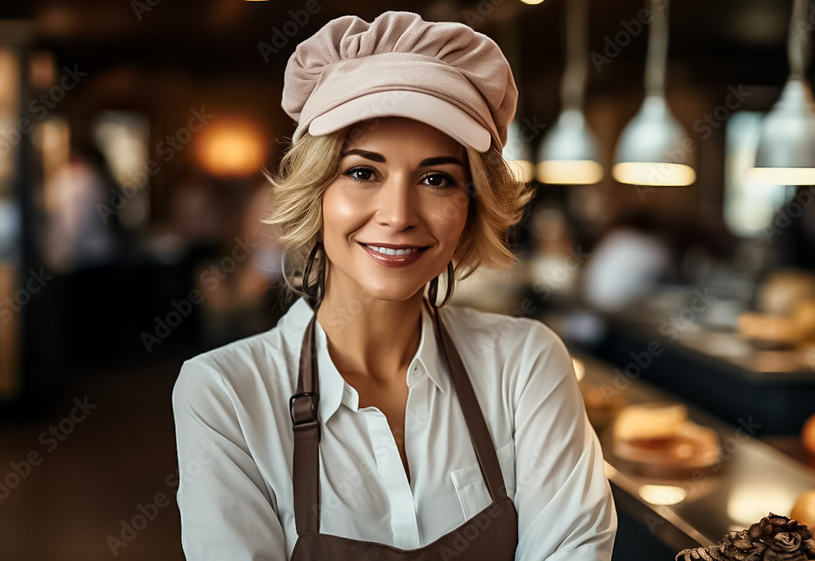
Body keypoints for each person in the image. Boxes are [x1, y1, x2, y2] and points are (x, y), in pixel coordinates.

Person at [172, 11, 617, 560]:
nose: (398, 215)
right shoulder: (224, 394)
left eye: (437, 179)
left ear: (471, 207)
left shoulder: (526, 366)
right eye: (362, 172)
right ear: (316, 192)